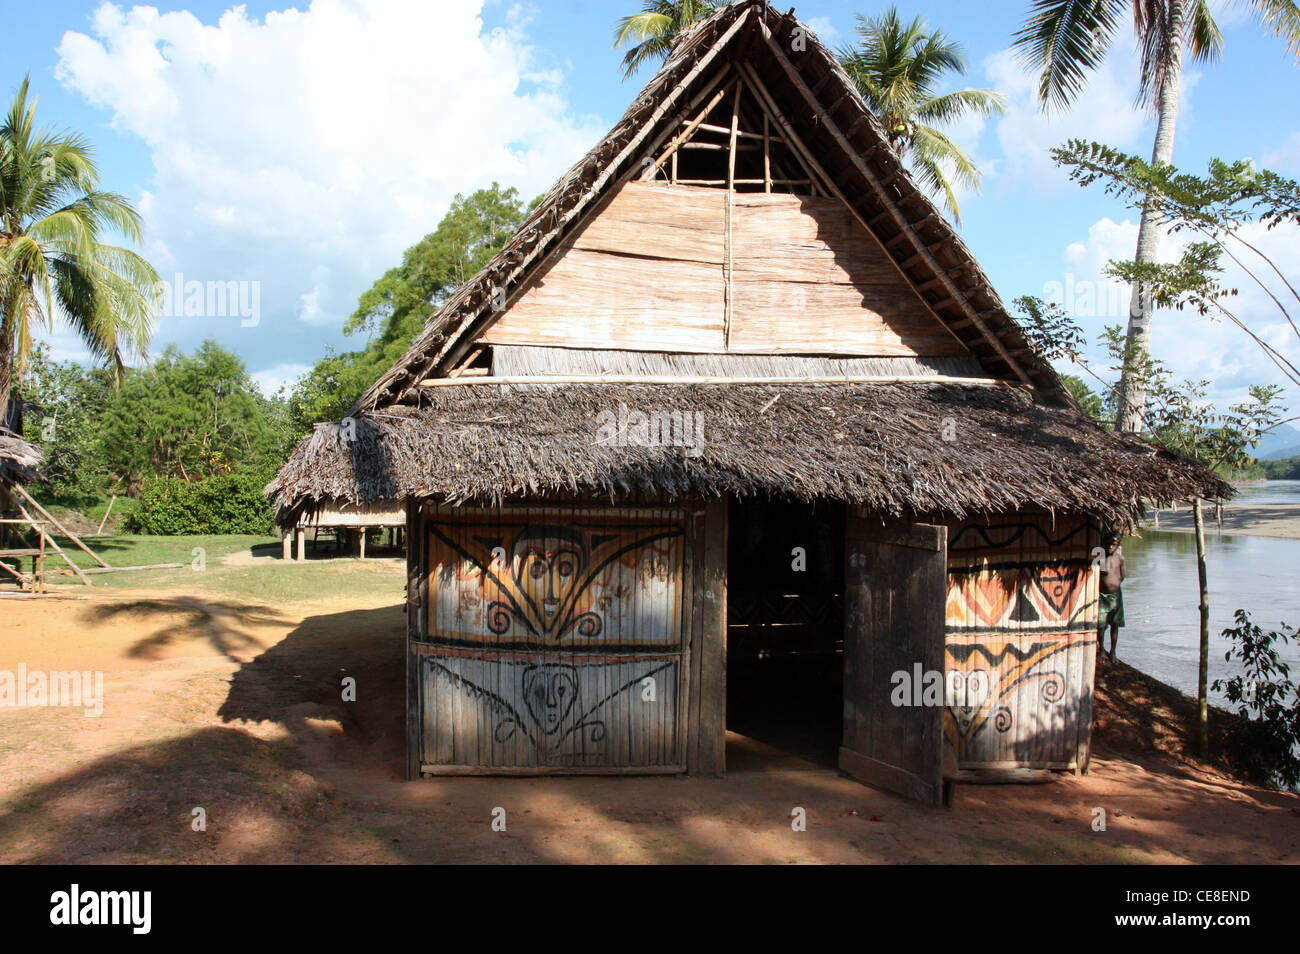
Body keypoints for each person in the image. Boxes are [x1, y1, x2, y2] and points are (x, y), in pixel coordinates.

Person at [1097, 531, 1126, 660]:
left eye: (1113, 544)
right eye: (1108, 544)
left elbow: (1122, 576)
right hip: (1103, 596)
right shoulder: (1100, 558)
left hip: (1116, 596)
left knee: (1115, 624)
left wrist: (1115, 586)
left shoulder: (1120, 559)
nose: (1110, 547)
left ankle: (1113, 651)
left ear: (1118, 545)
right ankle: (1101, 650)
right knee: (1101, 625)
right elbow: (1098, 575)